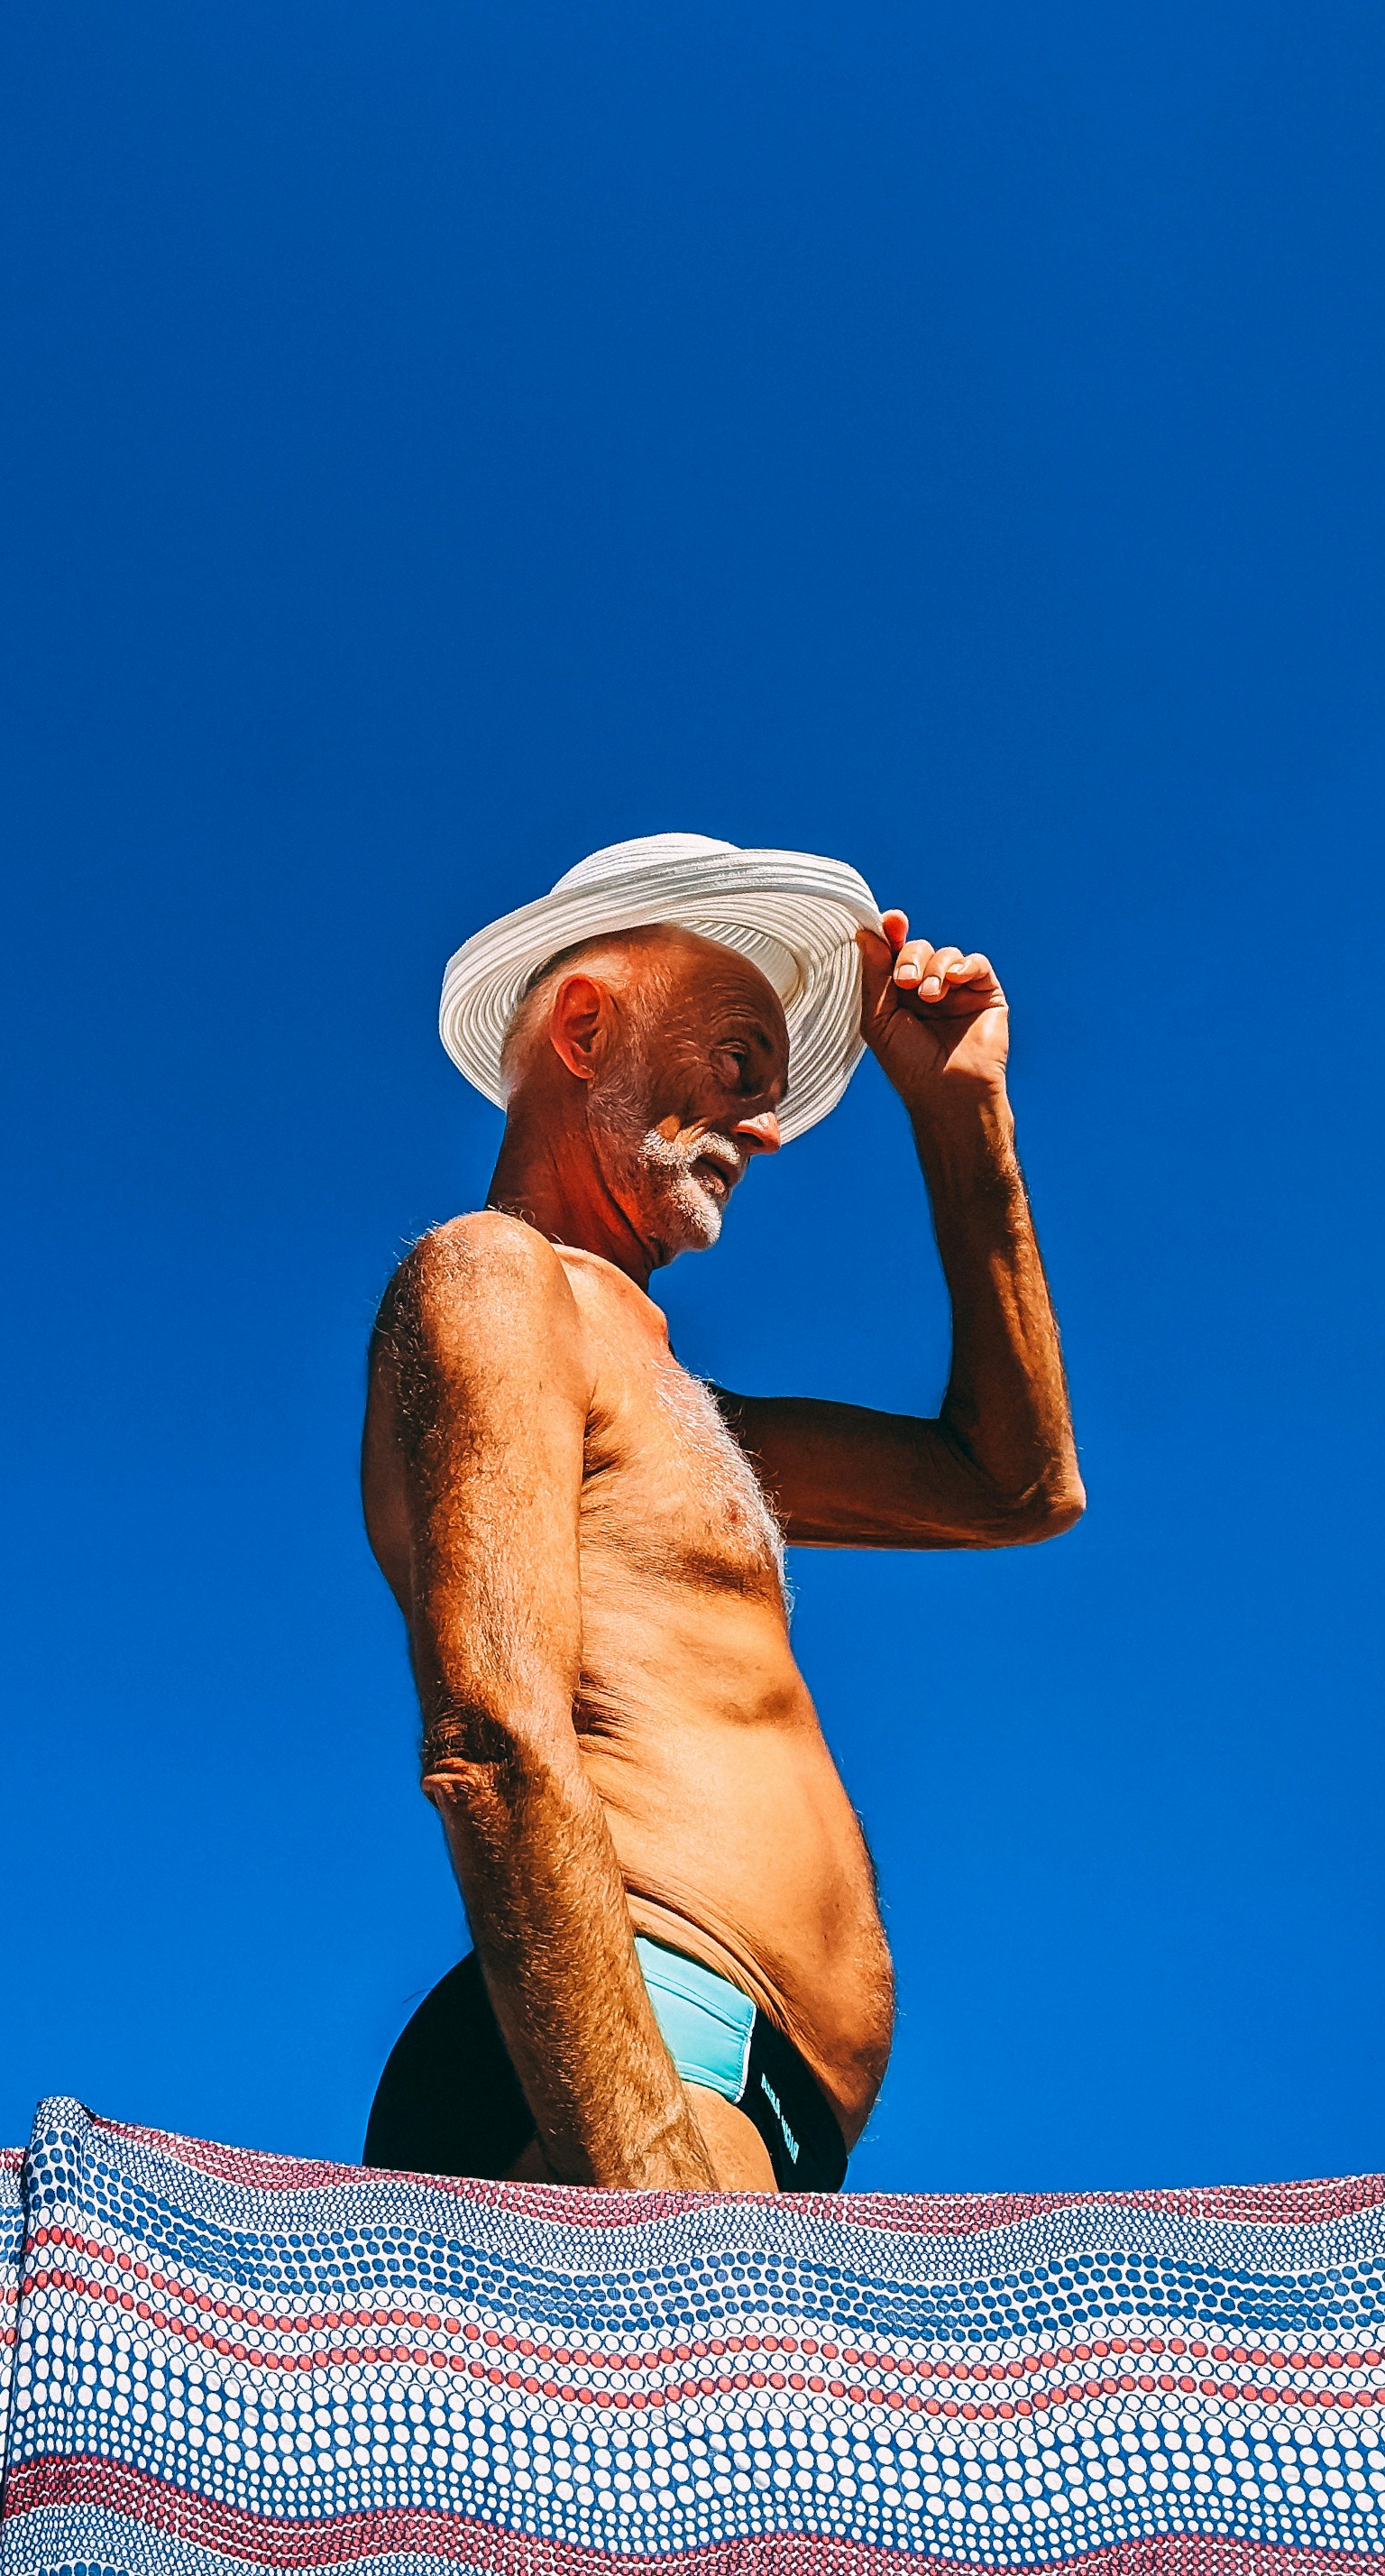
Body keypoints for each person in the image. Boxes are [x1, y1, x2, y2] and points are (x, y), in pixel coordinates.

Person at [361, 834, 1083, 2195]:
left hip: (733, 2090)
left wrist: (961, 1114)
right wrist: (658, 2205)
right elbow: (494, 1737)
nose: (764, 1125)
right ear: (587, 1027)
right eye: (742, 1064)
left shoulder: (688, 1409)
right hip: (625, 2050)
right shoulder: (499, 1280)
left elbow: (1017, 1485)